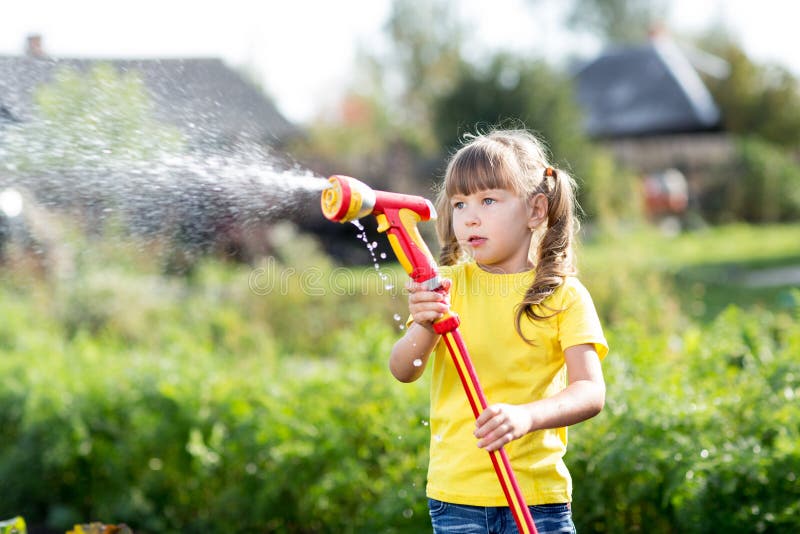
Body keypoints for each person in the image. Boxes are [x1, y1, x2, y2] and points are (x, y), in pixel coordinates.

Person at [389, 128, 608, 534]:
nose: (470, 216)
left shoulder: (563, 295)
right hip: (458, 499)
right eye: (459, 203)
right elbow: (404, 368)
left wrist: (526, 416)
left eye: (488, 200)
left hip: (537, 498)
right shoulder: (444, 286)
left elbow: (590, 392)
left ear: (535, 210)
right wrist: (425, 324)